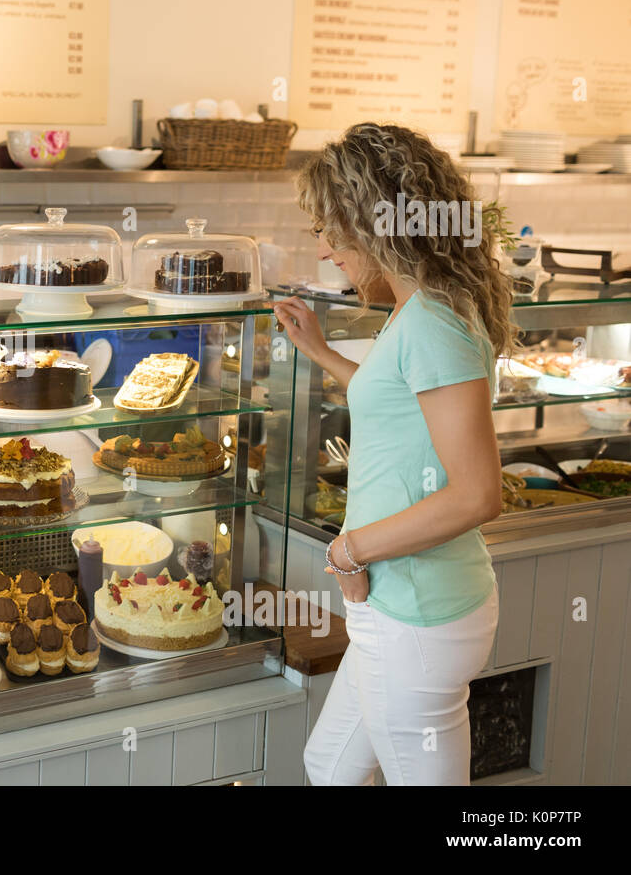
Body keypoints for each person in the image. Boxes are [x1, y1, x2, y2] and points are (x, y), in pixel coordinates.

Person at [274, 122, 517, 785]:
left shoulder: (434, 321)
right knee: (328, 765)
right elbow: (400, 407)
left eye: (330, 229)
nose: (325, 250)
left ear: (374, 223)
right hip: (399, 605)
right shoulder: (422, 310)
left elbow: (476, 494)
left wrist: (351, 550)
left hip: (416, 612)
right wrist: (322, 353)